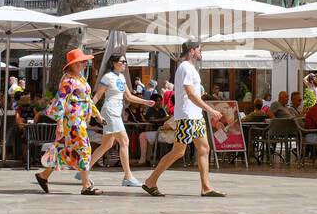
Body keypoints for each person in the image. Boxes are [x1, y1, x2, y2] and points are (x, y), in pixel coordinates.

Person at [143, 40, 232, 197]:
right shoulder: (185, 68)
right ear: (192, 51)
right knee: (178, 152)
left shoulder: (190, 68)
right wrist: (211, 110)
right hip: (187, 117)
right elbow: (190, 94)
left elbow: (193, 94)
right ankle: (151, 181)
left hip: (195, 116)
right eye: (199, 49)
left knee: (204, 148)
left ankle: (206, 188)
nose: (201, 52)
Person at [35, 49, 104, 195]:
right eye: (82, 61)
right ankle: (86, 185)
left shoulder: (80, 79)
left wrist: (97, 115)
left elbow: (87, 99)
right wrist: (59, 123)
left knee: (62, 151)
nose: (85, 64)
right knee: (84, 149)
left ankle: (43, 176)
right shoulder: (68, 81)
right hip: (72, 121)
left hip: (79, 120)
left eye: (85, 61)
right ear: (73, 64)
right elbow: (60, 102)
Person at [88, 53, 156, 187]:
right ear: (114, 63)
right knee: (125, 141)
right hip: (110, 112)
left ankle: (84, 170)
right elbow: (97, 96)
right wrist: (89, 111)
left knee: (106, 145)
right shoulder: (108, 77)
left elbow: (129, 97)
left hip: (116, 113)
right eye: (122, 61)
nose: (125, 63)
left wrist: (145, 102)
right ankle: (128, 177)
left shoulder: (122, 78)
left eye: (125, 62)